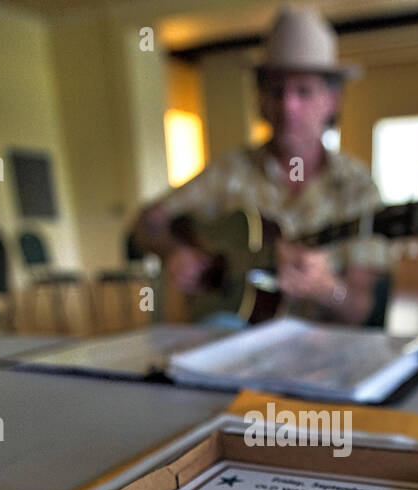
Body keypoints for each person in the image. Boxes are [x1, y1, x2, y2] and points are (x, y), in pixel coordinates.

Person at [133, 5, 389, 326]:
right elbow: (147, 221)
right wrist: (175, 253)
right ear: (260, 98)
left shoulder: (357, 187)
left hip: (321, 351)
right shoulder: (229, 170)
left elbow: (359, 309)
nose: (288, 106)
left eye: (303, 91)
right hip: (237, 339)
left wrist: (327, 289)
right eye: (276, 90)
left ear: (332, 101)